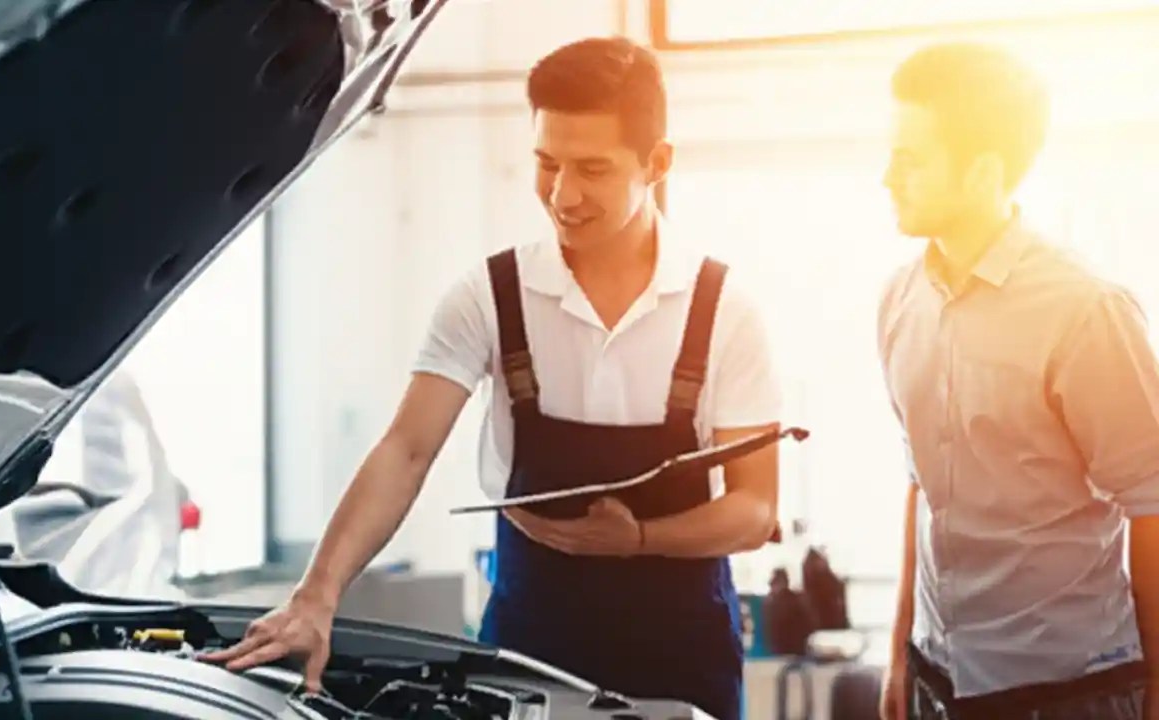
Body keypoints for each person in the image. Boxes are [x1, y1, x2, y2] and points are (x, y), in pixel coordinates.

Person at [202, 36, 783, 720]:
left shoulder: (724, 312)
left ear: (658, 164)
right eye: (546, 163)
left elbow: (754, 510)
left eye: (592, 169)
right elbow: (405, 450)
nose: (562, 195)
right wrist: (316, 596)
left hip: (683, 664)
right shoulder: (490, 295)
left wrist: (640, 540)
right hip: (530, 650)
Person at [876, 41, 1159, 720]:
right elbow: (923, 488)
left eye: (910, 159)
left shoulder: (1085, 311)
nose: (887, 176)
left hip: (1067, 692)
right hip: (934, 682)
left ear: (982, 173)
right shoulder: (899, 300)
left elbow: (1152, 507)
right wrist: (896, 659)